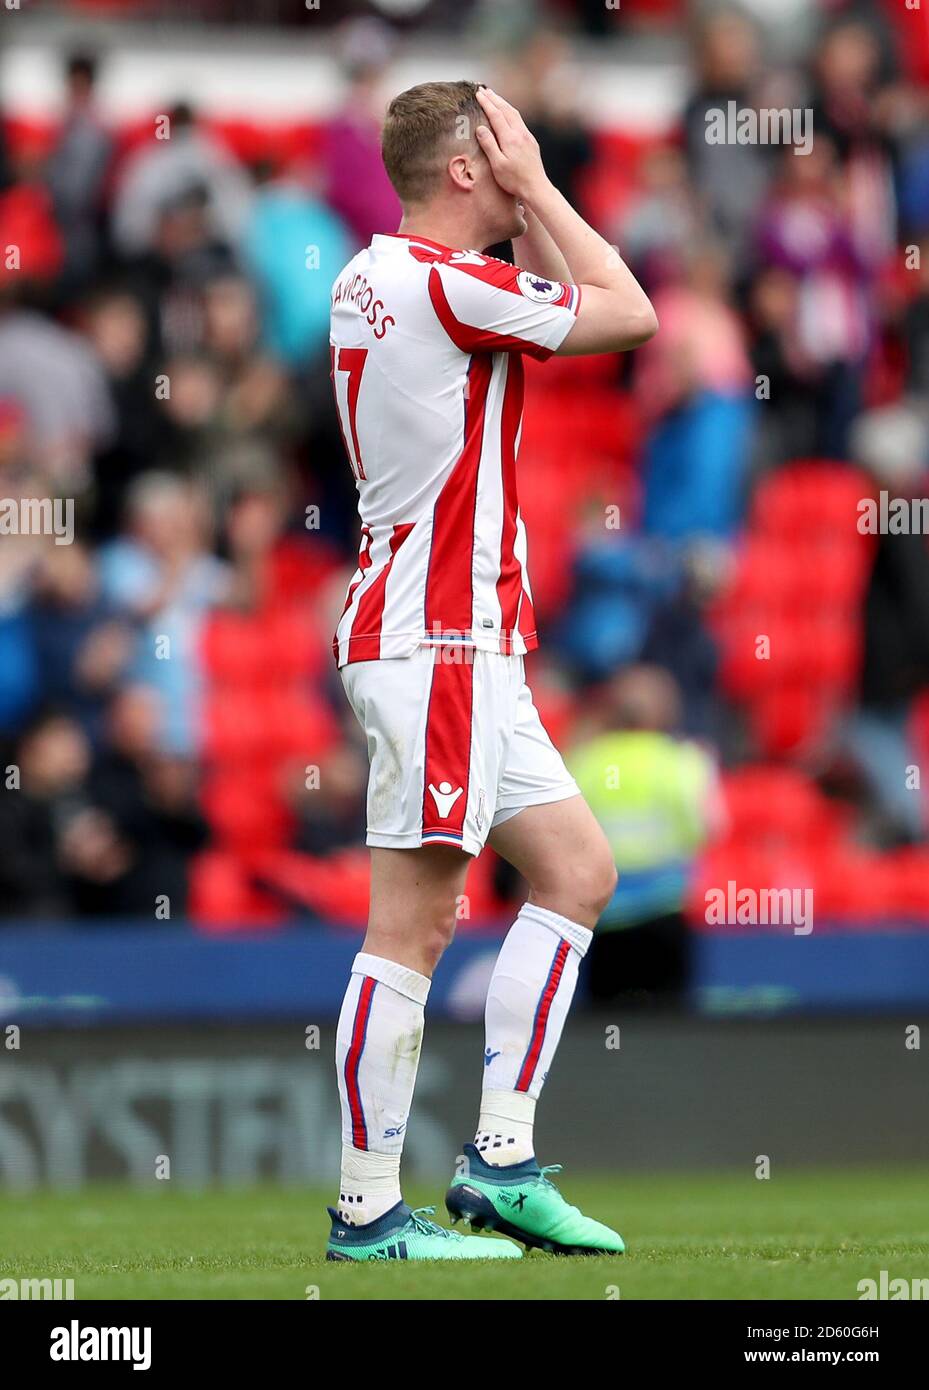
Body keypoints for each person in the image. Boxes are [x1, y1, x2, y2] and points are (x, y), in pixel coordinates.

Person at [326, 80, 657, 1263]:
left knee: (575, 869)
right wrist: (543, 191)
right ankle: (368, 1212)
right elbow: (629, 316)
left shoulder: (373, 276)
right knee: (412, 927)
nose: (520, 155)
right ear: (467, 168)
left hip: (457, 643)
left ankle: (499, 1163)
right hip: (437, 644)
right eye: (500, 144)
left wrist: (515, 191)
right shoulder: (446, 285)